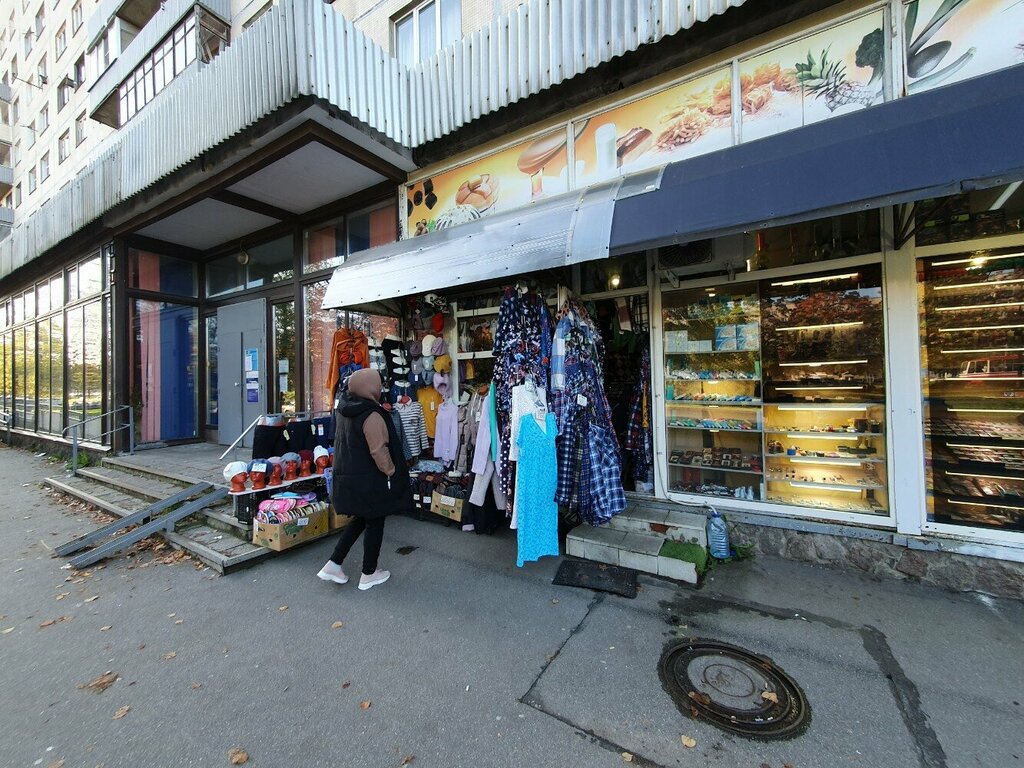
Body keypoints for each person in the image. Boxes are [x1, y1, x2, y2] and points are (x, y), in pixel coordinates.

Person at [317, 368, 412, 590]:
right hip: (370, 480)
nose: (380, 388)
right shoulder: (372, 414)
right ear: (371, 387)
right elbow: (379, 451)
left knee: (361, 518)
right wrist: (391, 471)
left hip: (352, 478)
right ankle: (369, 573)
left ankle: (334, 563)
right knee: (375, 521)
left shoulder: (345, 410)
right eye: (378, 384)